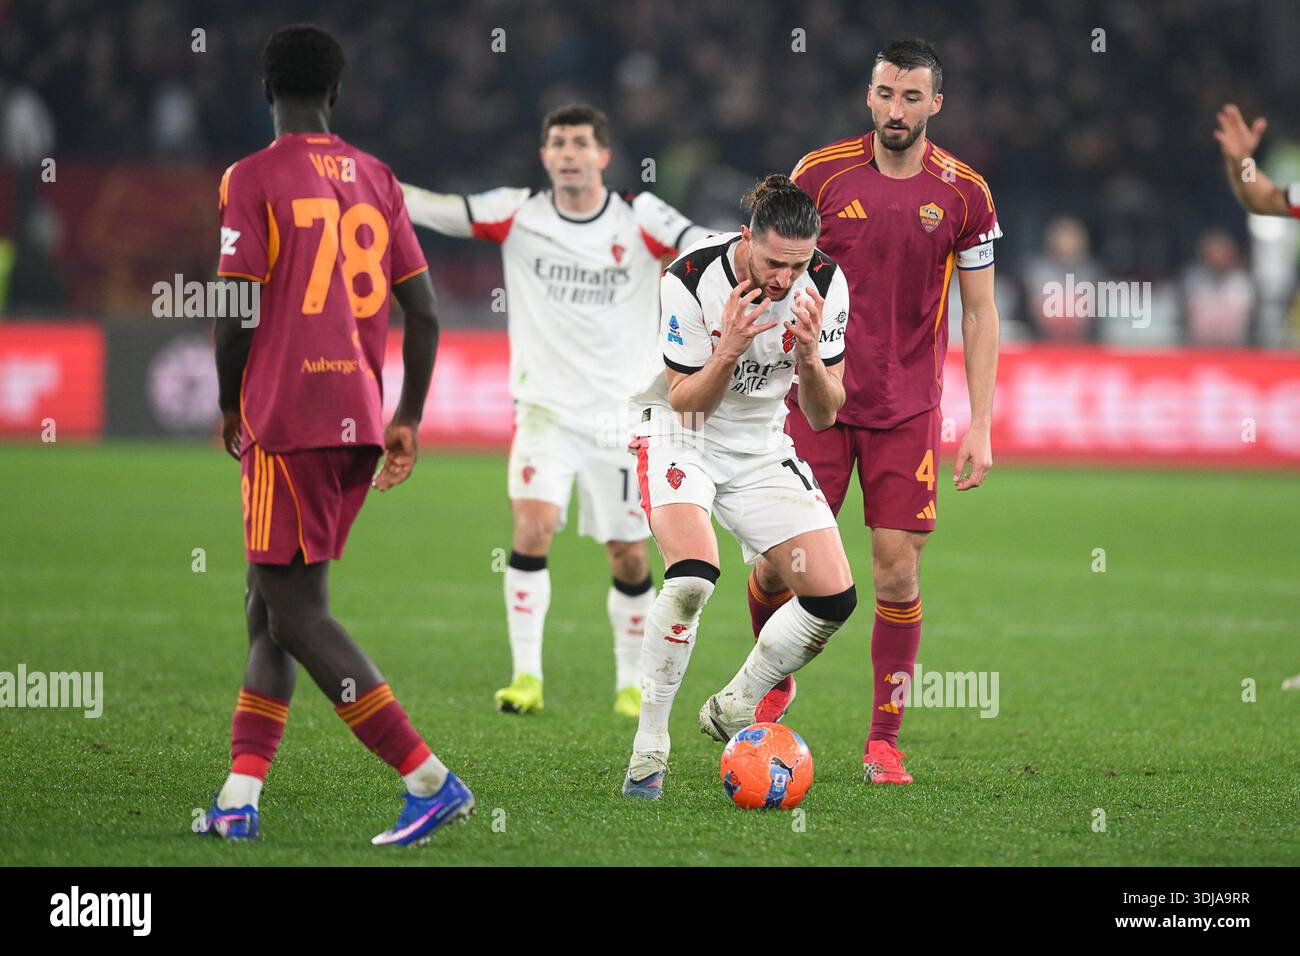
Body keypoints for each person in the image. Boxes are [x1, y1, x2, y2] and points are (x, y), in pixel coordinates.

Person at [202, 24, 472, 846]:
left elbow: (237, 310)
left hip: (288, 418)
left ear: (266, 88)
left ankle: (428, 778)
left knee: (294, 611)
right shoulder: (376, 176)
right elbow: (422, 312)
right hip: (356, 416)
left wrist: (226, 401)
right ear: (337, 93)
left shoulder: (251, 177)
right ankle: (239, 800)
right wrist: (407, 417)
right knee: (267, 605)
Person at [401, 104, 712, 717]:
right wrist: (364, 183)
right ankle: (526, 678)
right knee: (532, 528)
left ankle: (630, 684)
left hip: (622, 418)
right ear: (544, 155)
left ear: (603, 155)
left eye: (580, 143)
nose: (568, 153)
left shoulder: (639, 215)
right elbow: (440, 208)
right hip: (545, 410)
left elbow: (700, 246)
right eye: (558, 143)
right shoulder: (518, 213)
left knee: (627, 553)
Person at [750, 38, 1002, 785]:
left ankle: (882, 742)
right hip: (814, 402)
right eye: (887, 94)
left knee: (896, 576)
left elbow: (981, 314)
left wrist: (979, 422)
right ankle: (773, 680)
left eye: (913, 97)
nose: (898, 109)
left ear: (936, 105)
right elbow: (772, 273)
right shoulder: (819, 175)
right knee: (777, 565)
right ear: (870, 96)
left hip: (907, 409)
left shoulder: (965, 193)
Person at [621, 174, 857, 800]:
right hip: (680, 434)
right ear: (747, 239)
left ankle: (739, 701)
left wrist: (808, 356)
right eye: (775, 262)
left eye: (798, 264)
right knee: (694, 575)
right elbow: (687, 403)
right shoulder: (690, 277)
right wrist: (728, 348)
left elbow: (824, 414)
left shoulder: (827, 285)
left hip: (760, 448)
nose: (785, 279)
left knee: (834, 599)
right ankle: (650, 748)